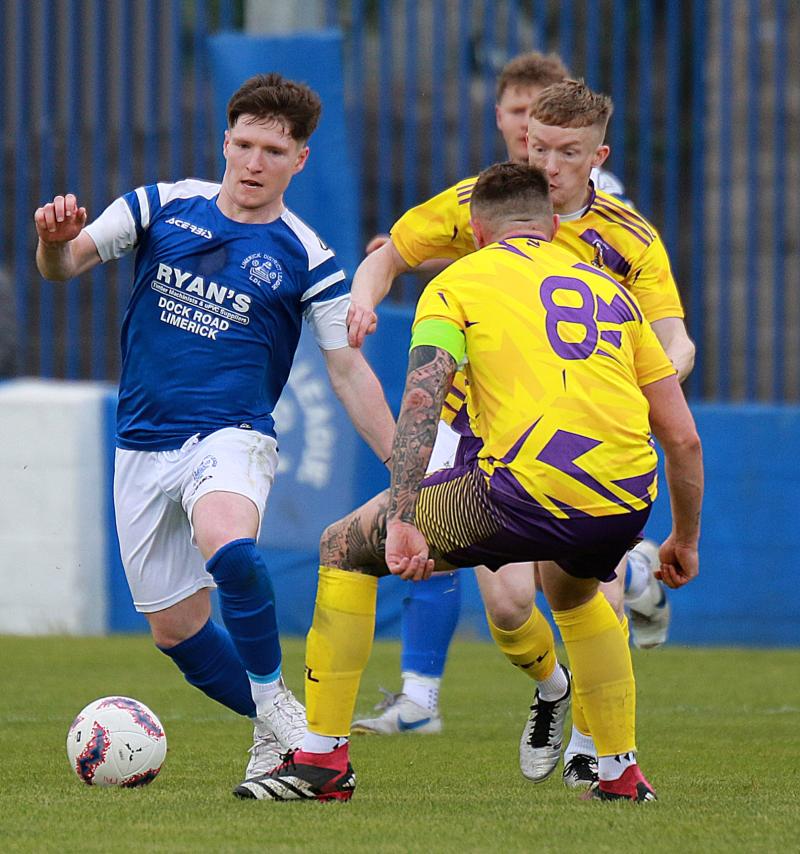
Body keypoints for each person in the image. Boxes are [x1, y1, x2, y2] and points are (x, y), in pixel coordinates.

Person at [235, 162, 703, 803]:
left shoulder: (457, 283)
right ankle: (620, 772)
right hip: (624, 498)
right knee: (573, 594)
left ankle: (321, 763)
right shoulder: (612, 292)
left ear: (477, 231)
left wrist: (403, 517)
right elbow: (682, 437)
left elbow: (422, 404)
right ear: (551, 226)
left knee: (343, 546)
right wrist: (684, 538)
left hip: (523, 489)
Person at [33, 73, 394, 792]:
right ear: (226, 142)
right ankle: (278, 729)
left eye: (274, 150)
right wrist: (52, 242)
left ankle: (296, 730)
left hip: (230, 436)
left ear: (301, 160)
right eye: (246, 144)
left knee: (228, 545)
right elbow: (63, 267)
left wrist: (405, 469)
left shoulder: (307, 256)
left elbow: (349, 374)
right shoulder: (161, 205)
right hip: (139, 444)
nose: (255, 162)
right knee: (179, 637)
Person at [349, 67, 693, 788]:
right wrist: (363, 299)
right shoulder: (487, 199)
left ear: (598, 158)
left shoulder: (629, 239)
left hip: (577, 436)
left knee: (581, 592)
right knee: (508, 606)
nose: (548, 165)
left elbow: (675, 343)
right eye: (538, 145)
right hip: (477, 425)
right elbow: (392, 253)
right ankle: (551, 691)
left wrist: (631, 381)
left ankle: (599, 752)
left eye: (568, 152)